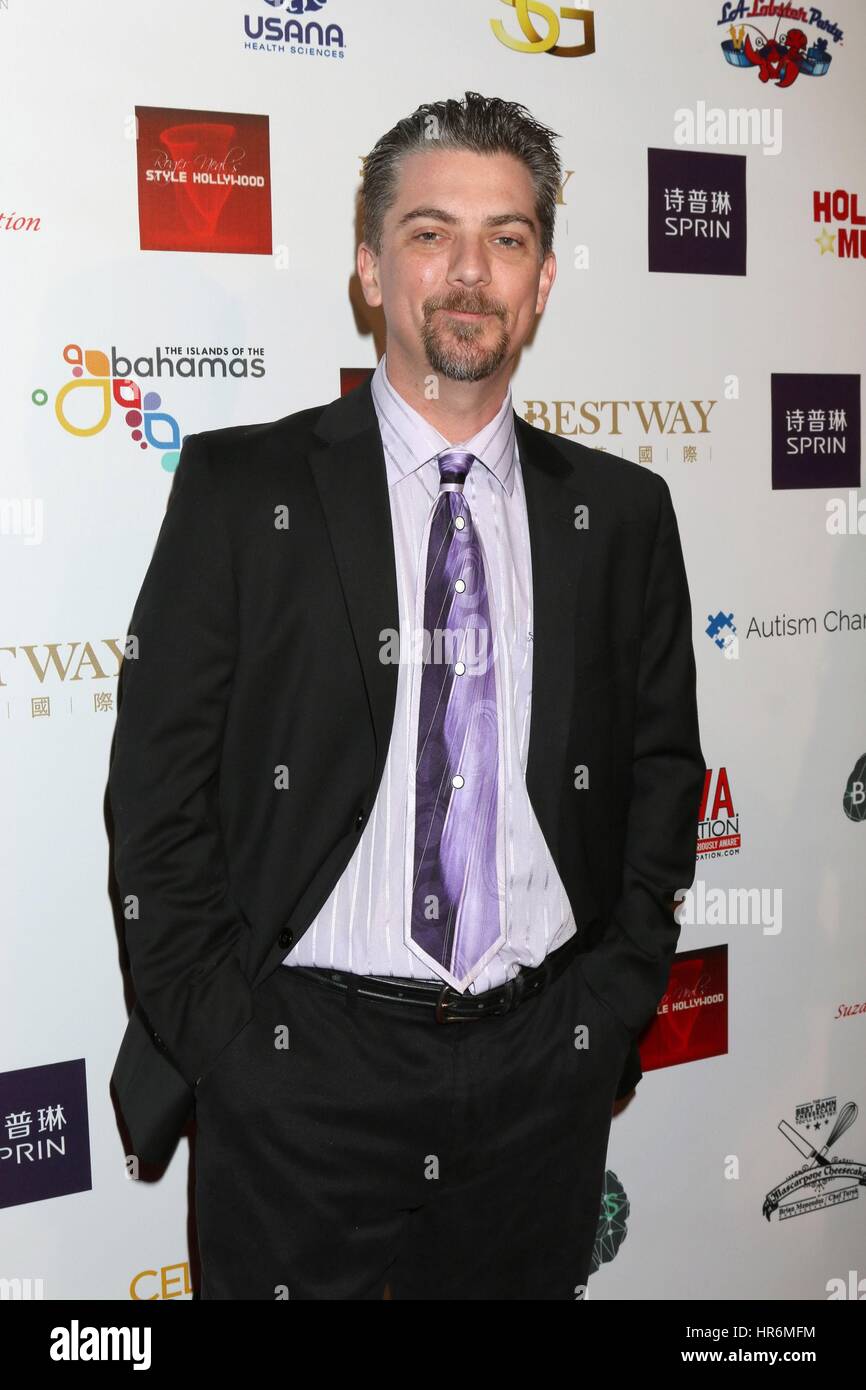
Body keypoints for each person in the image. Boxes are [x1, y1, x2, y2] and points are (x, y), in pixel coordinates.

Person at [108, 90, 705, 1300]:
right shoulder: (242, 489)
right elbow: (156, 796)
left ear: (541, 282)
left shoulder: (619, 514)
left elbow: (658, 771)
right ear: (371, 271)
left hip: (542, 1068)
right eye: (430, 233)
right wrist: (230, 1045)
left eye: (508, 237)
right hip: (301, 1068)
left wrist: (611, 998)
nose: (469, 272)